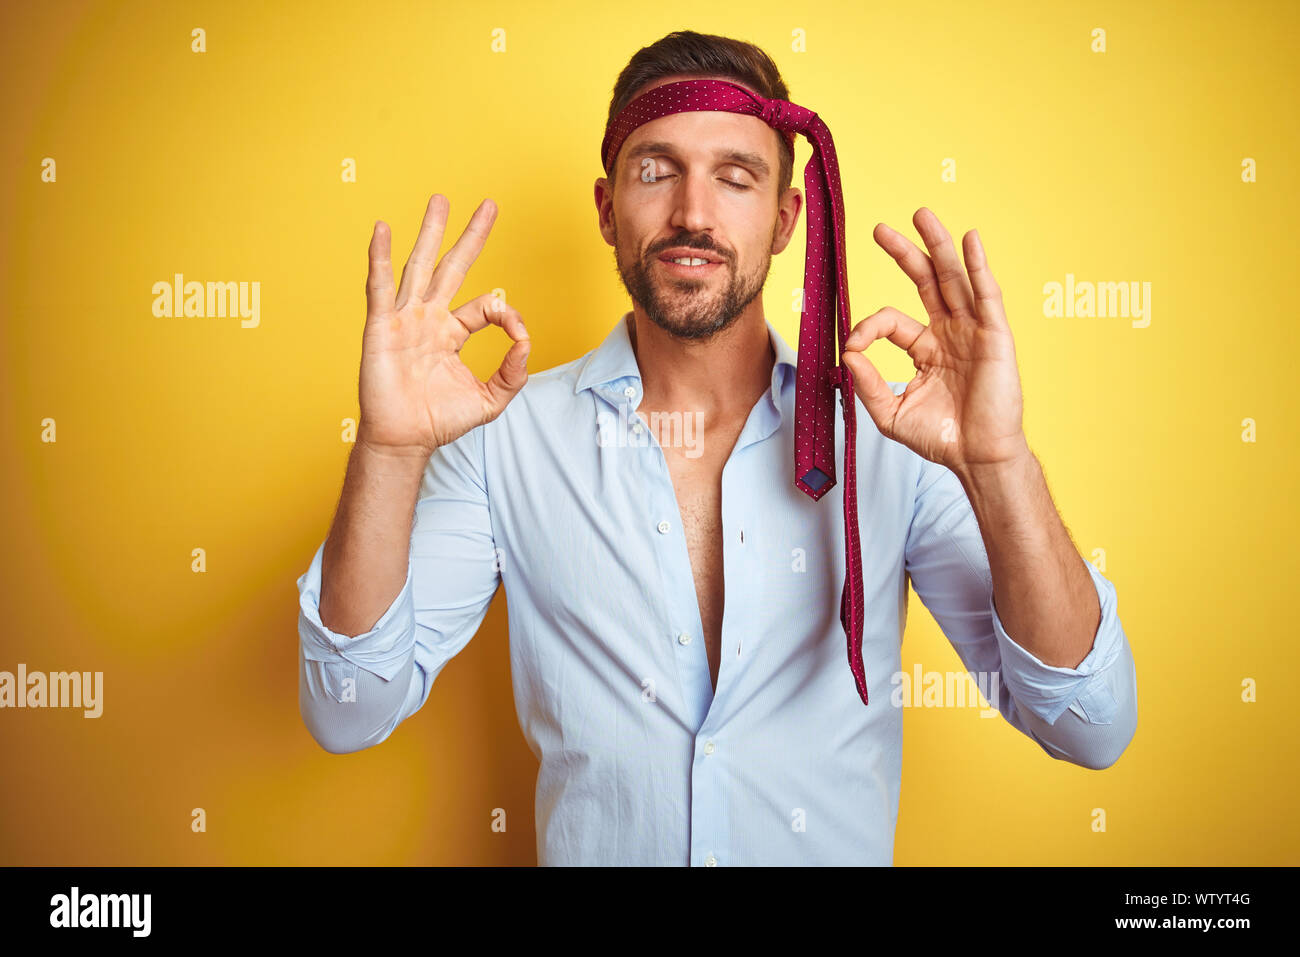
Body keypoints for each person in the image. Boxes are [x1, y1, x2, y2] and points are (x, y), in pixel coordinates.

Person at [296, 30, 1137, 866]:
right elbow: (347, 709)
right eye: (656, 171)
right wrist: (388, 450)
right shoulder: (501, 437)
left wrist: (999, 467)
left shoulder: (889, 436)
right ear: (605, 208)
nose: (692, 212)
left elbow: (1089, 723)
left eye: (735, 177)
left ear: (784, 221)